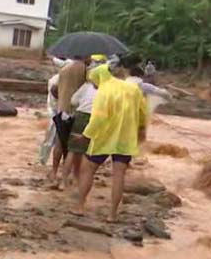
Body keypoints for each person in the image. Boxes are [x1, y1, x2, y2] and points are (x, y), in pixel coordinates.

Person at [73, 63, 149, 222]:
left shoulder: (103, 91)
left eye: (93, 82)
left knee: (88, 169)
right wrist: (141, 130)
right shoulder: (133, 89)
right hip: (126, 138)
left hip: (104, 137)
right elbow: (143, 113)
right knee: (119, 175)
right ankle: (112, 214)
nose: (94, 86)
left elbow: (98, 119)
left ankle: (80, 207)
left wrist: (86, 136)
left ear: (98, 78)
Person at [59, 65, 104, 189]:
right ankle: (78, 179)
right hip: (96, 118)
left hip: (80, 116)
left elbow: (73, 101)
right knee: (87, 152)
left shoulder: (86, 86)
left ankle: (64, 181)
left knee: (73, 150)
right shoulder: (106, 89)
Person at [49, 56, 89, 184]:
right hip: (76, 111)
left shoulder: (64, 69)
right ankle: (70, 176)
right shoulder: (86, 71)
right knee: (75, 147)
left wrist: (62, 98)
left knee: (59, 143)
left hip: (61, 109)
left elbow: (54, 89)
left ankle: (54, 173)